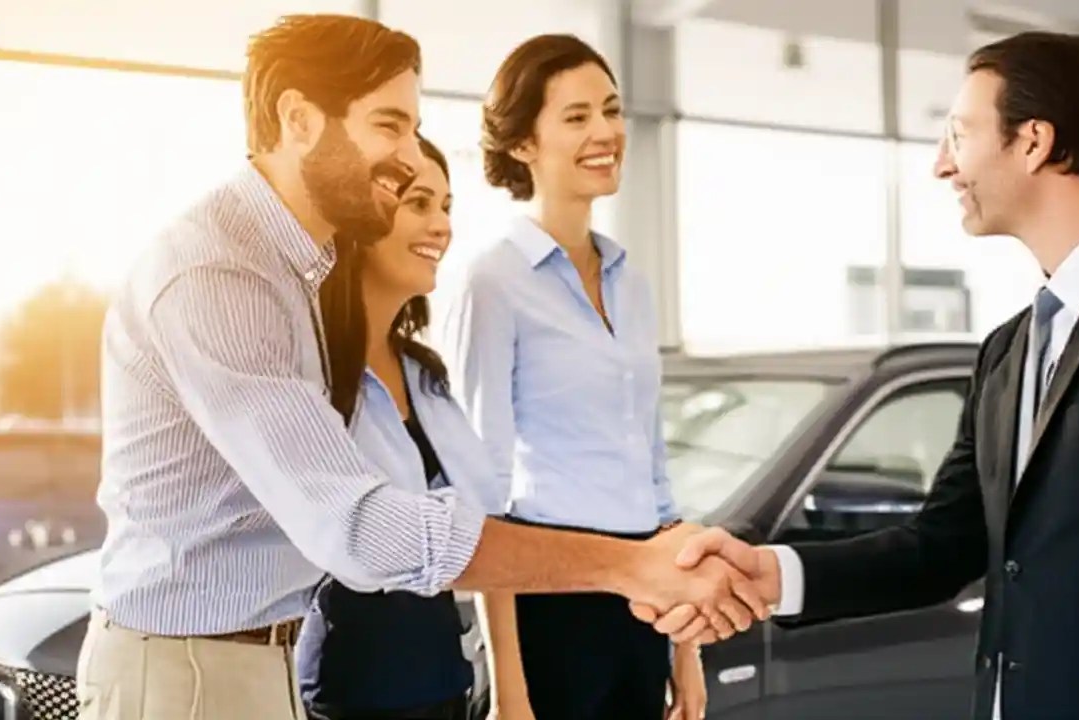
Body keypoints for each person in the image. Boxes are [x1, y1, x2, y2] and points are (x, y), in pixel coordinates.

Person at [80, 14, 768, 720]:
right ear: (300, 120)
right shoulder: (221, 274)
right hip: (189, 673)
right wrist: (628, 567)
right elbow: (359, 528)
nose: (411, 156)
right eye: (390, 126)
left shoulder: (292, 277)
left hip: (253, 659)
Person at [636, 31, 1079, 720]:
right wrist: (768, 573)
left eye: (958, 134)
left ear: (1034, 141)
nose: (942, 167)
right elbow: (939, 547)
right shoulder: (1008, 350)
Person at [443, 34, 709, 720]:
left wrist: (685, 646)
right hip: (549, 604)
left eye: (612, 110)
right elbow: (482, 497)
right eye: (576, 117)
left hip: (643, 596)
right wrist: (509, 683)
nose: (606, 132)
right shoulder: (492, 282)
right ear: (524, 144)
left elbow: (653, 476)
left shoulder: (631, 281)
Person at [294, 136, 484, 720]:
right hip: (350, 690)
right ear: (366, 211)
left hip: (444, 678)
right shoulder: (311, 370)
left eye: (447, 206)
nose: (442, 225)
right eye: (420, 203)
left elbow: (485, 521)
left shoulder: (426, 375)